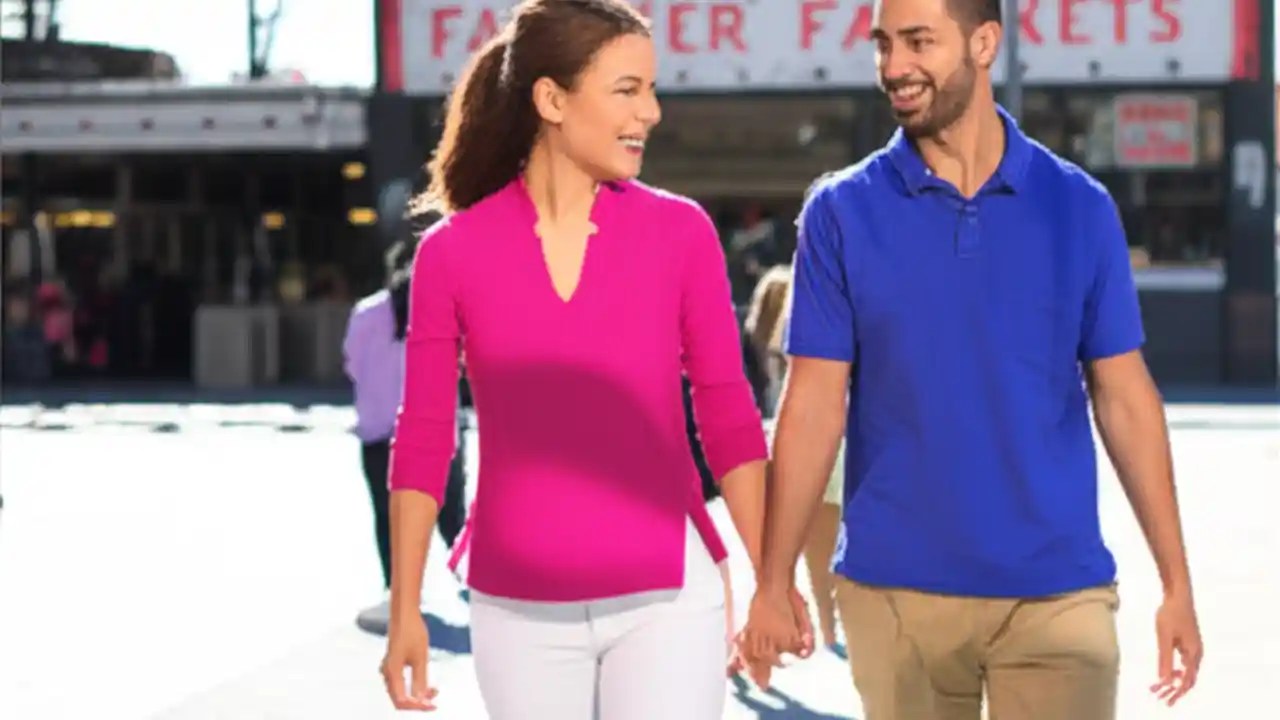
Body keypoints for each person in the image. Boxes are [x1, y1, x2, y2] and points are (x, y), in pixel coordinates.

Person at [741, 1, 1203, 718]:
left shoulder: (1079, 206)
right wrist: (772, 582)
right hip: (895, 594)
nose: (895, 67)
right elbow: (810, 406)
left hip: (1056, 591)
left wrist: (1177, 583)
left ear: (985, 43)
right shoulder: (841, 210)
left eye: (920, 42)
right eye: (883, 45)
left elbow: (1124, 397)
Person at [377, 2, 795, 717]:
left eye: (652, 89)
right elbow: (422, 437)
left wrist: (770, 583)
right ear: (552, 100)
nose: (652, 112)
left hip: (669, 597)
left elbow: (728, 416)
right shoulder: (451, 254)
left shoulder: (681, 234)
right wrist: (406, 608)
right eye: (628, 89)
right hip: (517, 608)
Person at [343, 237, 468, 596]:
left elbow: (352, 365)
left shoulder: (366, 312)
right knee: (449, 512)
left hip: (378, 431)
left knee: (388, 516)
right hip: (434, 433)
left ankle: (397, 588)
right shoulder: (443, 310)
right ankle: (471, 574)